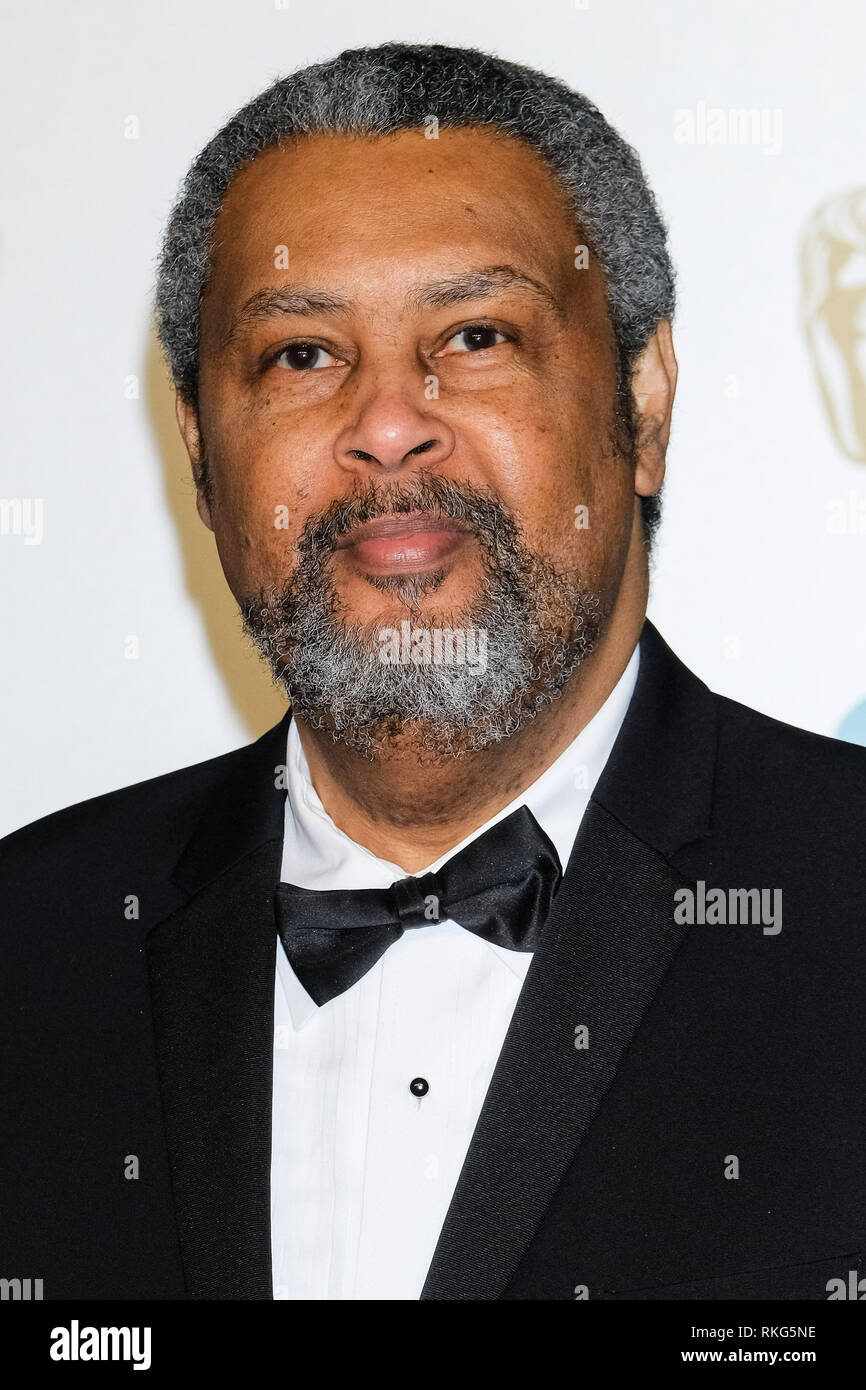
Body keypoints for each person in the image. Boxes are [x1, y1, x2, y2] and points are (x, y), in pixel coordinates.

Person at [2, 42, 864, 1302]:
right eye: (301, 355)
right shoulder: (30, 951)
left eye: (473, 335)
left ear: (643, 400)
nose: (387, 421)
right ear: (198, 449)